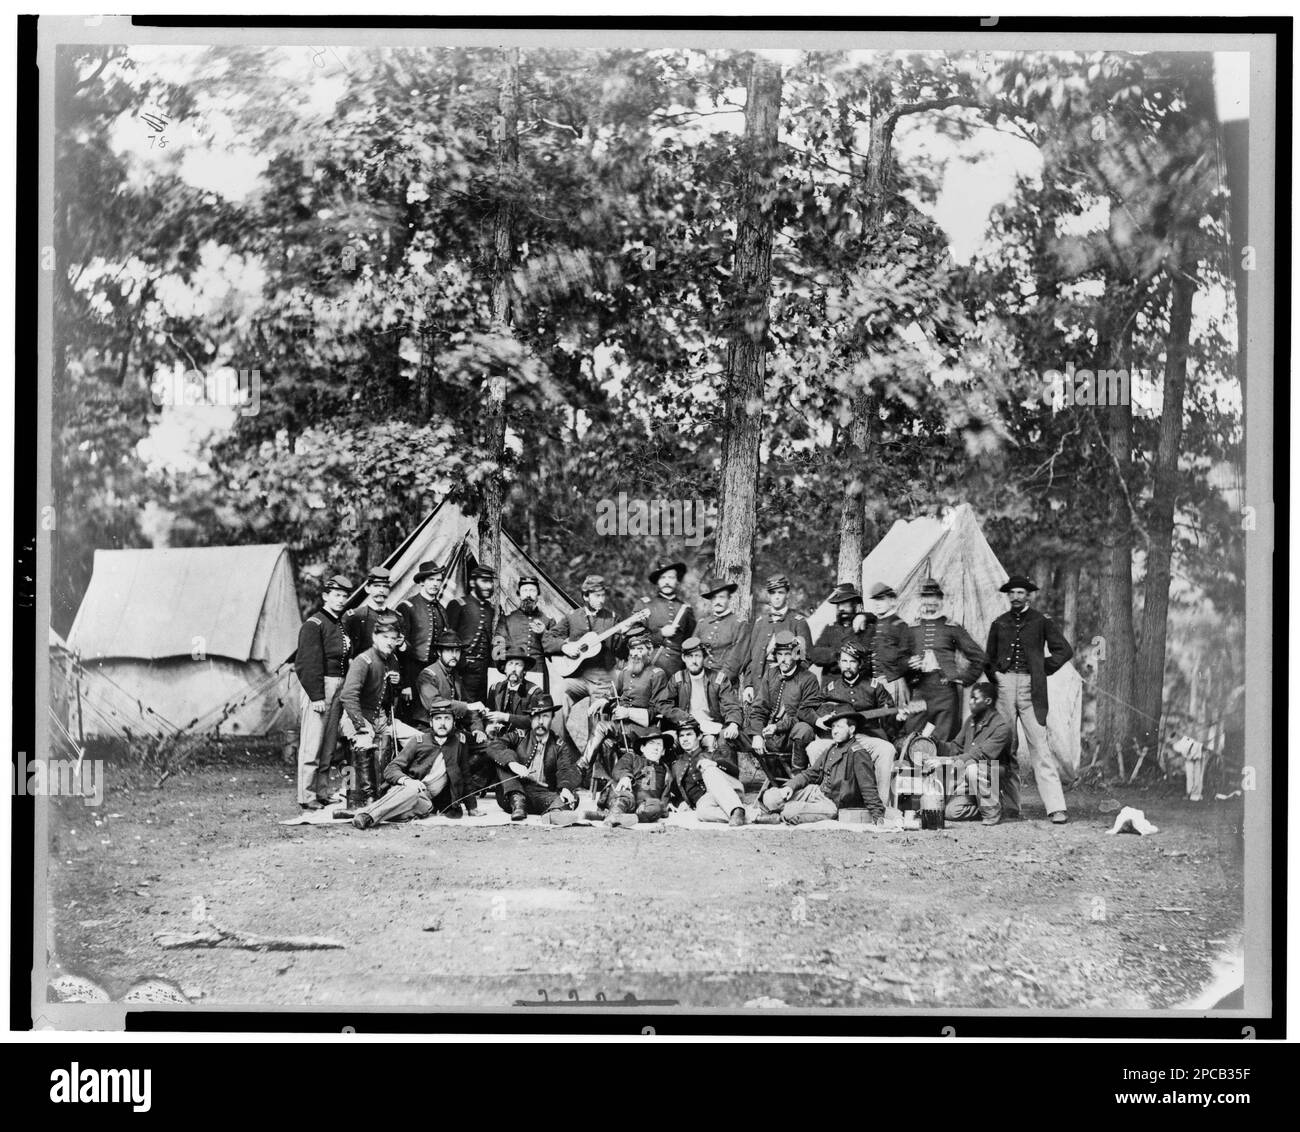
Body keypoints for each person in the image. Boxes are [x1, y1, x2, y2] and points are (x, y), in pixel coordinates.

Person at [984, 574, 1075, 824]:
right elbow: (988, 659)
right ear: (1007, 595)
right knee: (1004, 746)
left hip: (1031, 689)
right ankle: (1010, 807)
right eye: (1011, 593)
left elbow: (1064, 650)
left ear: (1028, 595)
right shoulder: (999, 623)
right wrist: (997, 677)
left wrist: (1040, 667)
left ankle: (1056, 807)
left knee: (1040, 748)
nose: (1015, 597)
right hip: (1004, 689)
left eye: (1020, 593)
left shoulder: (1041, 622)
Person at [350, 699, 480, 828]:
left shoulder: (459, 744)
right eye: (438, 719)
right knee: (411, 793)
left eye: (447, 718)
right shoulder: (418, 741)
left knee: (424, 808)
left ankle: (362, 813)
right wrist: (407, 781)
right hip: (404, 790)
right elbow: (391, 769)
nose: (442, 723)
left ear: (453, 722)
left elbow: (465, 775)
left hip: (426, 800)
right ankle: (367, 817)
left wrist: (472, 807)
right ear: (431, 722)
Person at [336, 612, 421, 809]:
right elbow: (348, 696)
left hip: (382, 719)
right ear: (375, 637)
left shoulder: (392, 661)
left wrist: (396, 686)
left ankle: (394, 789)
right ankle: (369, 799)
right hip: (356, 716)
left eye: (393, 638)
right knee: (365, 742)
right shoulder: (363, 660)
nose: (389, 642)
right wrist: (361, 727)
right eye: (385, 637)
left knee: (419, 740)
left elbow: (388, 699)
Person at [754, 708, 885, 825]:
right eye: (833, 727)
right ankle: (779, 810)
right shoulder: (831, 749)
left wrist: (878, 816)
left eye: (839, 727)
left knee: (791, 811)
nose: (835, 731)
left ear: (851, 729)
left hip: (834, 804)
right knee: (771, 797)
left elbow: (868, 788)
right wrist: (790, 786)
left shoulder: (858, 753)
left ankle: (778, 816)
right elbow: (811, 773)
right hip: (817, 792)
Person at [812, 641, 903, 807]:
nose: (847, 666)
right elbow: (815, 709)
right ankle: (823, 803)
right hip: (837, 739)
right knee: (813, 748)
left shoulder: (874, 687)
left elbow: (889, 716)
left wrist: (897, 717)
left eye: (852, 662)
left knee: (887, 749)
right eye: (844, 661)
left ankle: (881, 806)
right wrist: (825, 717)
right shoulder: (831, 688)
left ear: (860, 664)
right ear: (839, 663)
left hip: (865, 737)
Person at [578, 623, 673, 780]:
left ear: (649, 651)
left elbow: (658, 709)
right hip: (621, 726)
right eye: (633, 650)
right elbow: (612, 693)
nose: (636, 654)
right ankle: (588, 769)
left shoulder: (657, 674)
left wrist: (628, 712)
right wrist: (601, 701)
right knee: (606, 739)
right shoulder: (625, 672)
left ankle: (587, 767)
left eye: (640, 649)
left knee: (603, 732)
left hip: (643, 730)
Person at [543, 574, 626, 742]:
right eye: (597, 596)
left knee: (598, 724)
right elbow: (548, 640)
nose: (601, 600)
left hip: (603, 679)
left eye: (603, 595)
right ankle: (561, 749)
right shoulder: (572, 617)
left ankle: (594, 765)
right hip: (577, 676)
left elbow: (622, 652)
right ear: (585, 596)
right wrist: (566, 647)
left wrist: (624, 635)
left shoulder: (612, 618)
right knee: (558, 696)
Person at [293, 574, 352, 810]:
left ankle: (322, 791)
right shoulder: (314, 624)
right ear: (325, 596)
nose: (341, 600)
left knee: (328, 744)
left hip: (338, 686)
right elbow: (306, 664)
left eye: (344, 596)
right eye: (336, 595)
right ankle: (307, 795)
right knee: (312, 743)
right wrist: (317, 696)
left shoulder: (339, 624)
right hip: (320, 686)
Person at [902, 580, 986, 742]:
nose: (930, 601)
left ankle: (940, 768)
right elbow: (900, 660)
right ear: (920, 600)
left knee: (943, 741)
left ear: (940, 600)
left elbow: (979, 657)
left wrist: (962, 678)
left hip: (945, 693)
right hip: (919, 693)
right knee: (913, 736)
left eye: (934, 596)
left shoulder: (952, 628)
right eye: (926, 596)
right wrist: (909, 664)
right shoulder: (911, 629)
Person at [922, 682, 1012, 826]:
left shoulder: (1001, 727)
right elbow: (955, 747)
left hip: (991, 773)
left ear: (988, 701)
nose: (970, 702)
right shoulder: (971, 721)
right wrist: (934, 742)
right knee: (951, 812)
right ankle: (987, 805)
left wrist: (947, 760)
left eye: (974, 699)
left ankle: (992, 811)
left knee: (973, 768)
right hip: (970, 775)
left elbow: (981, 755)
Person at [484, 694, 581, 823]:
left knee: (572, 797)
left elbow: (566, 768)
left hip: (542, 794)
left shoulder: (559, 745)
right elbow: (494, 747)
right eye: (536, 717)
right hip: (512, 794)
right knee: (505, 756)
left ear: (552, 717)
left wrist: (565, 788)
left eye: (545, 716)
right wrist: (513, 764)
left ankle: (553, 813)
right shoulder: (519, 736)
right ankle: (518, 801)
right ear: (530, 718)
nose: (540, 722)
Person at [746, 630, 822, 776]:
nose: (783, 660)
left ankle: (797, 775)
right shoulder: (770, 674)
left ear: (795, 655)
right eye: (780, 654)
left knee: (804, 729)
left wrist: (777, 727)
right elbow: (759, 707)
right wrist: (757, 735)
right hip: (769, 734)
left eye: (787, 654)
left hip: (791, 736)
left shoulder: (808, 678)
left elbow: (804, 715)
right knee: (733, 734)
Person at [737, 573, 813, 704]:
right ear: (768, 595)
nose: (776, 597)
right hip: (759, 684)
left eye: (780, 592)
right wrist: (748, 685)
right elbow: (751, 658)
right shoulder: (760, 623)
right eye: (772, 593)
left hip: (786, 685)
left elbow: (805, 659)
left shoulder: (797, 622)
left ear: (787, 594)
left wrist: (790, 679)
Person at [667, 637, 744, 762]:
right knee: (667, 742)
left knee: (712, 745)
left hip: (710, 728)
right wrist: (682, 717)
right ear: (683, 658)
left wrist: (733, 724)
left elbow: (731, 705)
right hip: (685, 726)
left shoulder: (718, 679)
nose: (694, 661)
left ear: (704, 658)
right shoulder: (677, 679)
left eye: (697, 656)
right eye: (690, 657)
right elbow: (665, 704)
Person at [668, 715, 747, 826]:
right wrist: (680, 802)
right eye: (681, 736)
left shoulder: (712, 754)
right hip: (707, 801)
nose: (685, 739)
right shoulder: (677, 765)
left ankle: (736, 808)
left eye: (689, 734)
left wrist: (714, 764)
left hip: (729, 792)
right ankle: (751, 815)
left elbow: (734, 771)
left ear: (699, 736)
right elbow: (674, 792)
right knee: (702, 813)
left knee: (709, 770)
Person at [597, 727, 676, 827]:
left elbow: (666, 793)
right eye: (652, 743)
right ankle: (615, 815)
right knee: (623, 794)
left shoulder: (665, 770)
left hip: (645, 805)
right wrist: (625, 777)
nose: (656, 748)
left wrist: (665, 805)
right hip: (626, 795)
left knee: (656, 807)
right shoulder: (632, 758)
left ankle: (624, 818)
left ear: (663, 751)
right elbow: (620, 768)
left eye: (659, 744)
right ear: (642, 748)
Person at [395, 560, 448, 709]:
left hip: (433, 673)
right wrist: (404, 684)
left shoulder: (441, 610)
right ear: (422, 582)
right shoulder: (407, 606)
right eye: (431, 580)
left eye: (438, 580)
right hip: (412, 671)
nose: (435, 584)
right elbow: (400, 649)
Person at [446, 564, 500, 703]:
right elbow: (448, 638)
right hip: (463, 669)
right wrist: (460, 663)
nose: (489, 586)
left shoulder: (491, 609)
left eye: (491, 581)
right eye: (484, 581)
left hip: (484, 670)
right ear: (472, 582)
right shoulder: (458, 604)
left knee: (482, 704)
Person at [492, 575, 551, 692]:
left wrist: (544, 633)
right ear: (519, 594)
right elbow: (497, 648)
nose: (528, 595)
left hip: (537, 671)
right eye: (525, 590)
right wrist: (505, 670)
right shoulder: (507, 620)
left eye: (532, 590)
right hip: (511, 673)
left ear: (538, 595)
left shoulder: (548, 621)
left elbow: (554, 650)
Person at [640, 558, 696, 678]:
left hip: (677, 671)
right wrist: (661, 633)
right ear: (657, 582)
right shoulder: (645, 605)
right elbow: (633, 640)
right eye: (663, 578)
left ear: (677, 581)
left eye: (671, 577)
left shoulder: (685, 609)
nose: (667, 582)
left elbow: (690, 641)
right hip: (650, 668)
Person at [808, 583, 875, 678]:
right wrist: (838, 655)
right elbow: (815, 654)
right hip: (831, 686)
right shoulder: (830, 629)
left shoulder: (864, 627)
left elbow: (865, 661)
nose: (840, 608)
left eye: (844, 603)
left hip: (857, 686)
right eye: (838, 604)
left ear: (854, 604)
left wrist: (866, 616)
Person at [695, 575, 749, 686]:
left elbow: (737, 659)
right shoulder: (702, 624)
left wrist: (719, 681)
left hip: (725, 685)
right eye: (714, 598)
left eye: (721, 597)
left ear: (729, 598)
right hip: (701, 681)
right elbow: (692, 652)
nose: (717, 601)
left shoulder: (739, 624)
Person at [485, 648, 543, 748]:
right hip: (498, 738)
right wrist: (489, 726)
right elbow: (488, 715)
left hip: (523, 741)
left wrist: (505, 717)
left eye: (518, 664)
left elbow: (534, 721)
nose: (513, 669)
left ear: (524, 670)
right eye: (510, 664)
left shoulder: (534, 691)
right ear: (505, 669)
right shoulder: (495, 688)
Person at [341, 566, 393, 656]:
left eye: (385, 586)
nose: (381, 590)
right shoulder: (353, 617)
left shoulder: (396, 616)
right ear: (367, 588)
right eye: (377, 586)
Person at [868, 582, 910, 685]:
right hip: (875, 682)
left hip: (893, 681)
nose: (877, 603)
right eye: (876, 600)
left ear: (892, 601)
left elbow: (906, 656)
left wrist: (894, 675)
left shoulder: (899, 625)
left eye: (881, 599)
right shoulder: (875, 623)